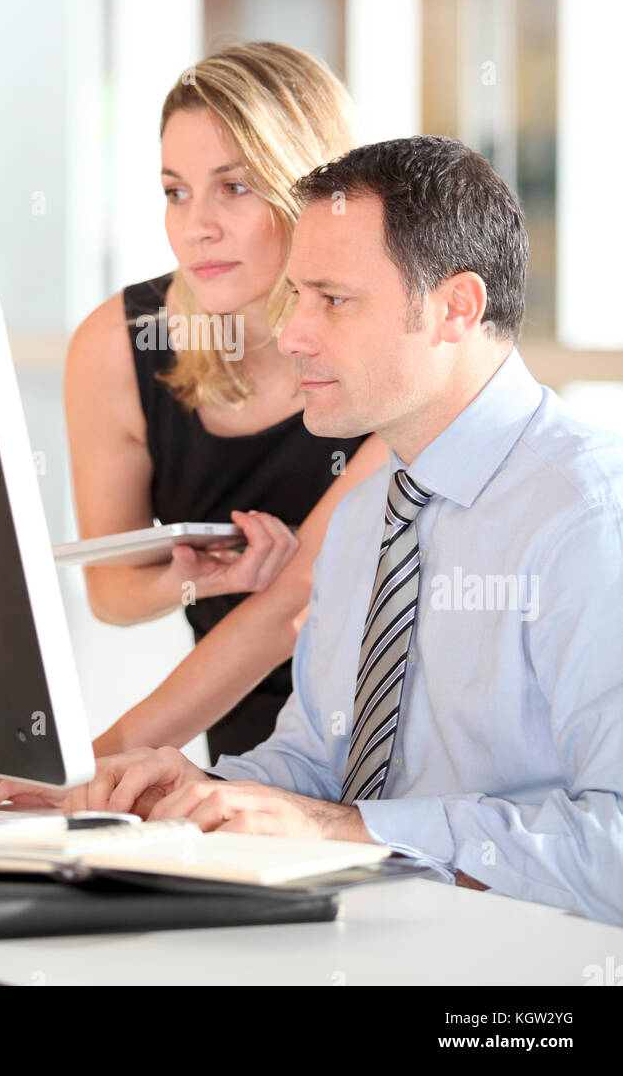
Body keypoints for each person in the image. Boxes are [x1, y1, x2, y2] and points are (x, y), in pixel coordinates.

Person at [52, 135, 623, 925]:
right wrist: (193, 791)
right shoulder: (367, 512)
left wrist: (345, 832)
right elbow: (320, 763)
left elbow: (616, 848)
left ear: (456, 308)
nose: (292, 336)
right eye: (296, 297)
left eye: (334, 300)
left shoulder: (590, 521)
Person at [0, 44, 388, 810]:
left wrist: (81, 769)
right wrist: (193, 577)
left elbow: (289, 610)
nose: (197, 227)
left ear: (312, 193)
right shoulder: (120, 344)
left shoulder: (379, 348)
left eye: (235, 187)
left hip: (390, 750)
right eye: (176, 192)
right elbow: (113, 590)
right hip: (235, 749)